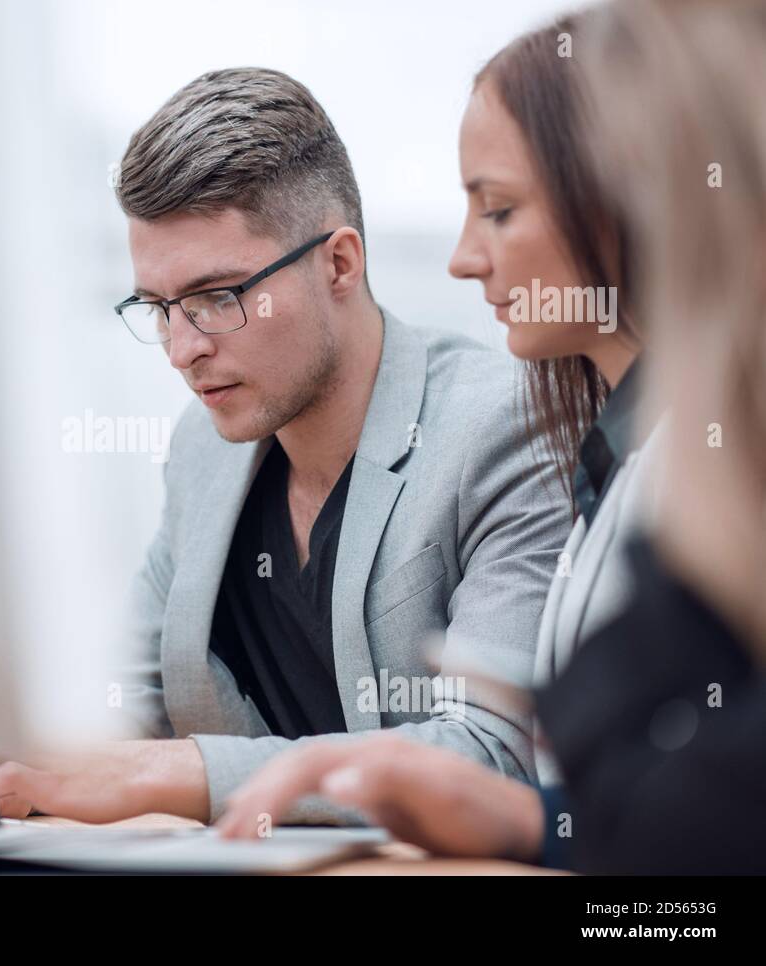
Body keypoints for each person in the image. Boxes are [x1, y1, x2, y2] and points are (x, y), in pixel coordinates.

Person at [219, 0, 766, 874]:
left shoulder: (692, 473)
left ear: (632, 200)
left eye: (500, 210)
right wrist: (524, 822)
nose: (464, 259)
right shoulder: (613, 460)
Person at [0, 67, 573, 825]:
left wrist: (191, 772)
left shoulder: (504, 429)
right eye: (160, 308)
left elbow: (495, 755)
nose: (181, 350)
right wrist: (22, 751)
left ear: (339, 263)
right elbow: (128, 699)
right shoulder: (206, 448)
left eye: (217, 299)